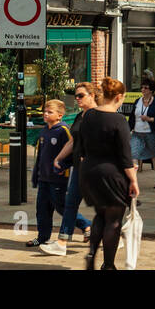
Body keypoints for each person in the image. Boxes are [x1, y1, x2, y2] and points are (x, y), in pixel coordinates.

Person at [69, 77, 139, 269]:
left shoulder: (89, 116)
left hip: (89, 172)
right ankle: (108, 265)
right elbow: (125, 156)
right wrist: (133, 180)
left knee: (100, 215)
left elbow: (81, 147)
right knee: (114, 221)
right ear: (117, 97)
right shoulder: (118, 120)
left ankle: (92, 253)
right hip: (112, 174)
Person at [52, 82, 93, 253]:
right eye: (75, 96)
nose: (77, 99)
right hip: (79, 167)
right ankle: (62, 242)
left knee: (104, 205)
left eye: (81, 95)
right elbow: (72, 141)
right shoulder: (79, 116)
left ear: (92, 95)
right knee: (70, 203)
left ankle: (115, 235)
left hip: (95, 169)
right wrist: (59, 157)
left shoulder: (97, 116)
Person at [27, 99, 72, 256]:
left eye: (49, 112)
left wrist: (63, 168)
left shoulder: (63, 130)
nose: (45, 114)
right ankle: (42, 237)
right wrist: (35, 176)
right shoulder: (44, 131)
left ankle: (87, 226)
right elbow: (40, 156)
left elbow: (71, 151)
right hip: (44, 178)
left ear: (60, 115)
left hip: (58, 178)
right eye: (44, 112)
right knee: (42, 209)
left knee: (62, 207)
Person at [129, 80, 155, 186]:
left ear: (151, 90)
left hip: (151, 133)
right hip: (137, 133)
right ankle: (133, 181)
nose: (143, 90)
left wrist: (150, 119)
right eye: (142, 87)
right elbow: (132, 116)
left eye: (145, 88)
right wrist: (129, 129)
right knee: (133, 155)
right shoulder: (137, 101)